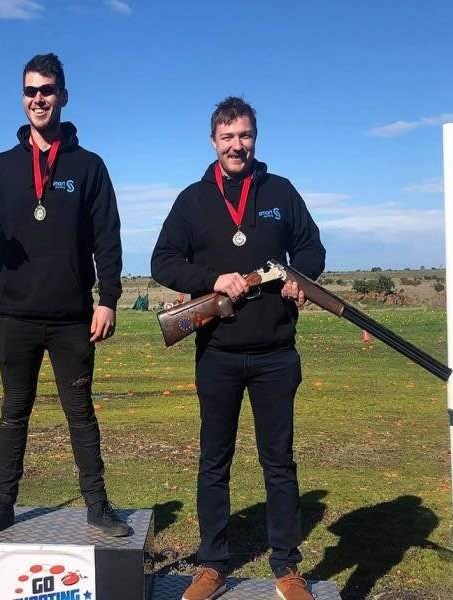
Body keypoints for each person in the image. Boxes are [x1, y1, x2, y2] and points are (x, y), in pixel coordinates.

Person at [151, 97, 325, 600]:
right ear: (213, 141)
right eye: (228, 137)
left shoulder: (281, 191)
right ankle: (212, 564)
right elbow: (163, 260)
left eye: (245, 136)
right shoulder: (192, 200)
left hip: (276, 353)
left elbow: (311, 246)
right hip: (218, 353)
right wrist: (213, 278)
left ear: (255, 138)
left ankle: (288, 569)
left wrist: (299, 277)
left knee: (279, 462)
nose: (237, 145)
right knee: (214, 461)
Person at [0, 53, 129, 538]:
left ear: (63, 96)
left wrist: (109, 299)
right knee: (13, 413)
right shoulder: (2, 166)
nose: (39, 99)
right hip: (15, 314)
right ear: (23, 99)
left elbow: (108, 239)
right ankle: (2, 506)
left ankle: (97, 506)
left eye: (47, 90)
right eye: (31, 91)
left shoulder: (88, 166)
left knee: (80, 413)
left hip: (70, 317)